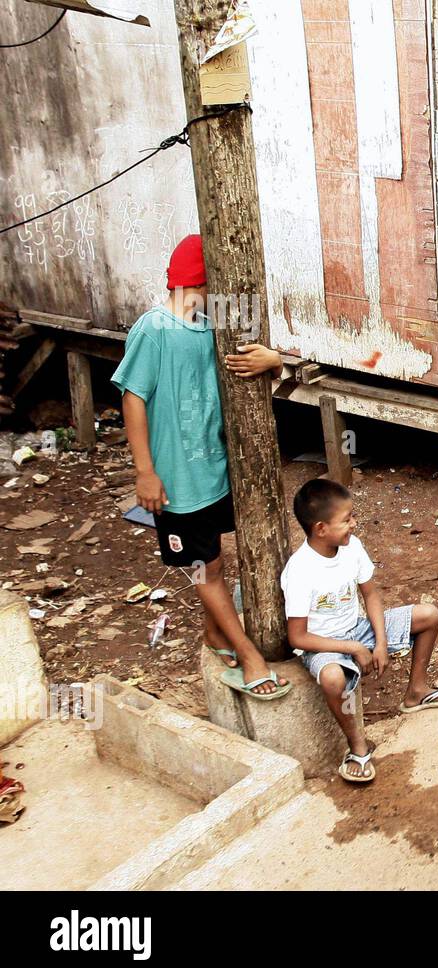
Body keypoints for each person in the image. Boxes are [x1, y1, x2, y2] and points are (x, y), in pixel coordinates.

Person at [113, 234, 291, 700]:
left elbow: (263, 367)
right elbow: (132, 398)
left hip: (213, 472)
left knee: (214, 560)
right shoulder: (154, 330)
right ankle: (248, 653)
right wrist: (144, 472)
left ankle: (216, 634)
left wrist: (276, 363)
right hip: (175, 483)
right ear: (204, 281)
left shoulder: (215, 326)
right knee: (204, 569)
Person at [281, 478, 438, 783]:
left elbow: (372, 595)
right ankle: (358, 748)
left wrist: (379, 642)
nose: (354, 523)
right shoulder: (300, 571)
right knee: (332, 677)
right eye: (346, 519)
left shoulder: (352, 548)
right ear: (321, 529)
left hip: (359, 629)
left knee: (428, 616)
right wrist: (353, 649)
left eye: (352, 515)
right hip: (323, 646)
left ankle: (416, 691)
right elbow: (298, 638)